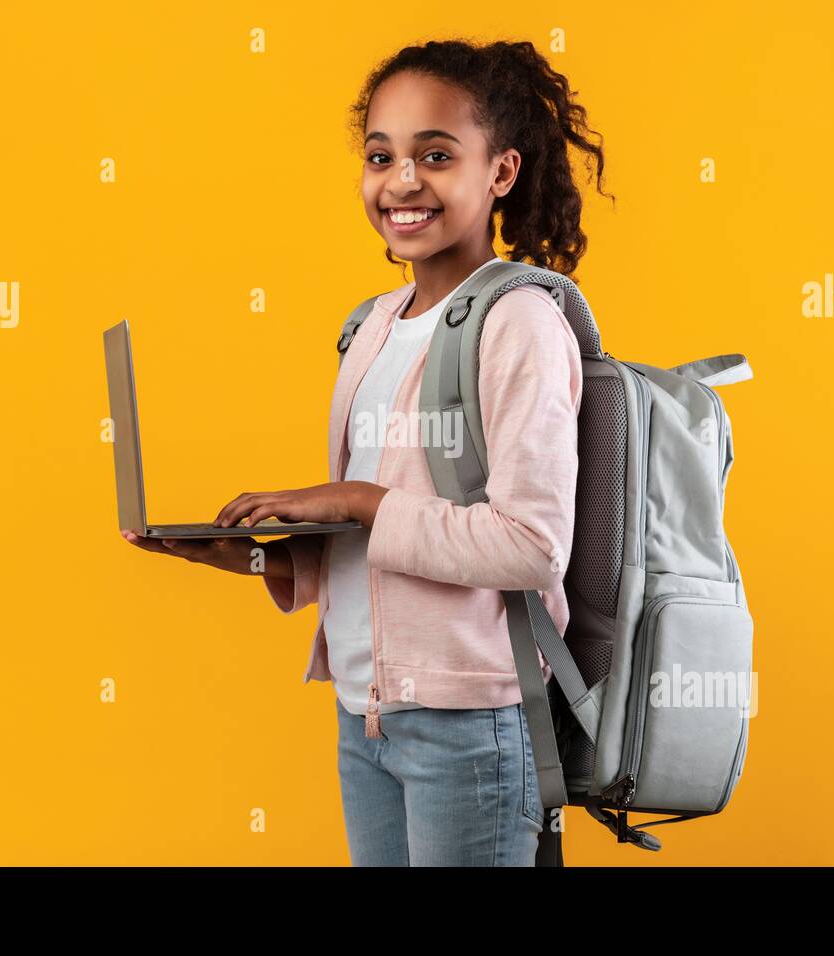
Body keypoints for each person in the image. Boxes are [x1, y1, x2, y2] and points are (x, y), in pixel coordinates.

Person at [123, 38, 611, 866]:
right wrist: (250, 563)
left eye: (436, 154)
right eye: (381, 155)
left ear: (500, 172)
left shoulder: (519, 323)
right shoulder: (371, 329)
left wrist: (353, 501)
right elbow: (382, 559)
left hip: (473, 727)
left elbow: (529, 548)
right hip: (367, 715)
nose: (403, 181)